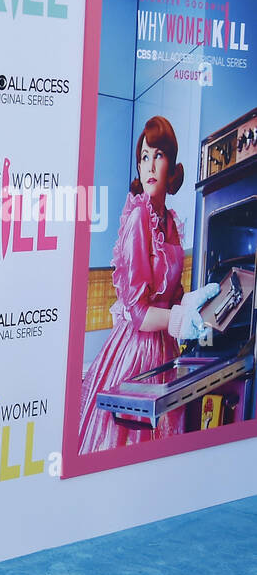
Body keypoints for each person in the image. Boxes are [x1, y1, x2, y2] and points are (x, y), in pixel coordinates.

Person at [76, 115, 219, 454]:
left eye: (158, 155)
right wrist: (177, 319)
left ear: (172, 164)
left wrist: (189, 304)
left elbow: (174, 295)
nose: (150, 165)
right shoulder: (139, 217)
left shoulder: (170, 221)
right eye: (144, 156)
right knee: (129, 444)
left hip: (166, 350)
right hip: (136, 351)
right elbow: (138, 311)